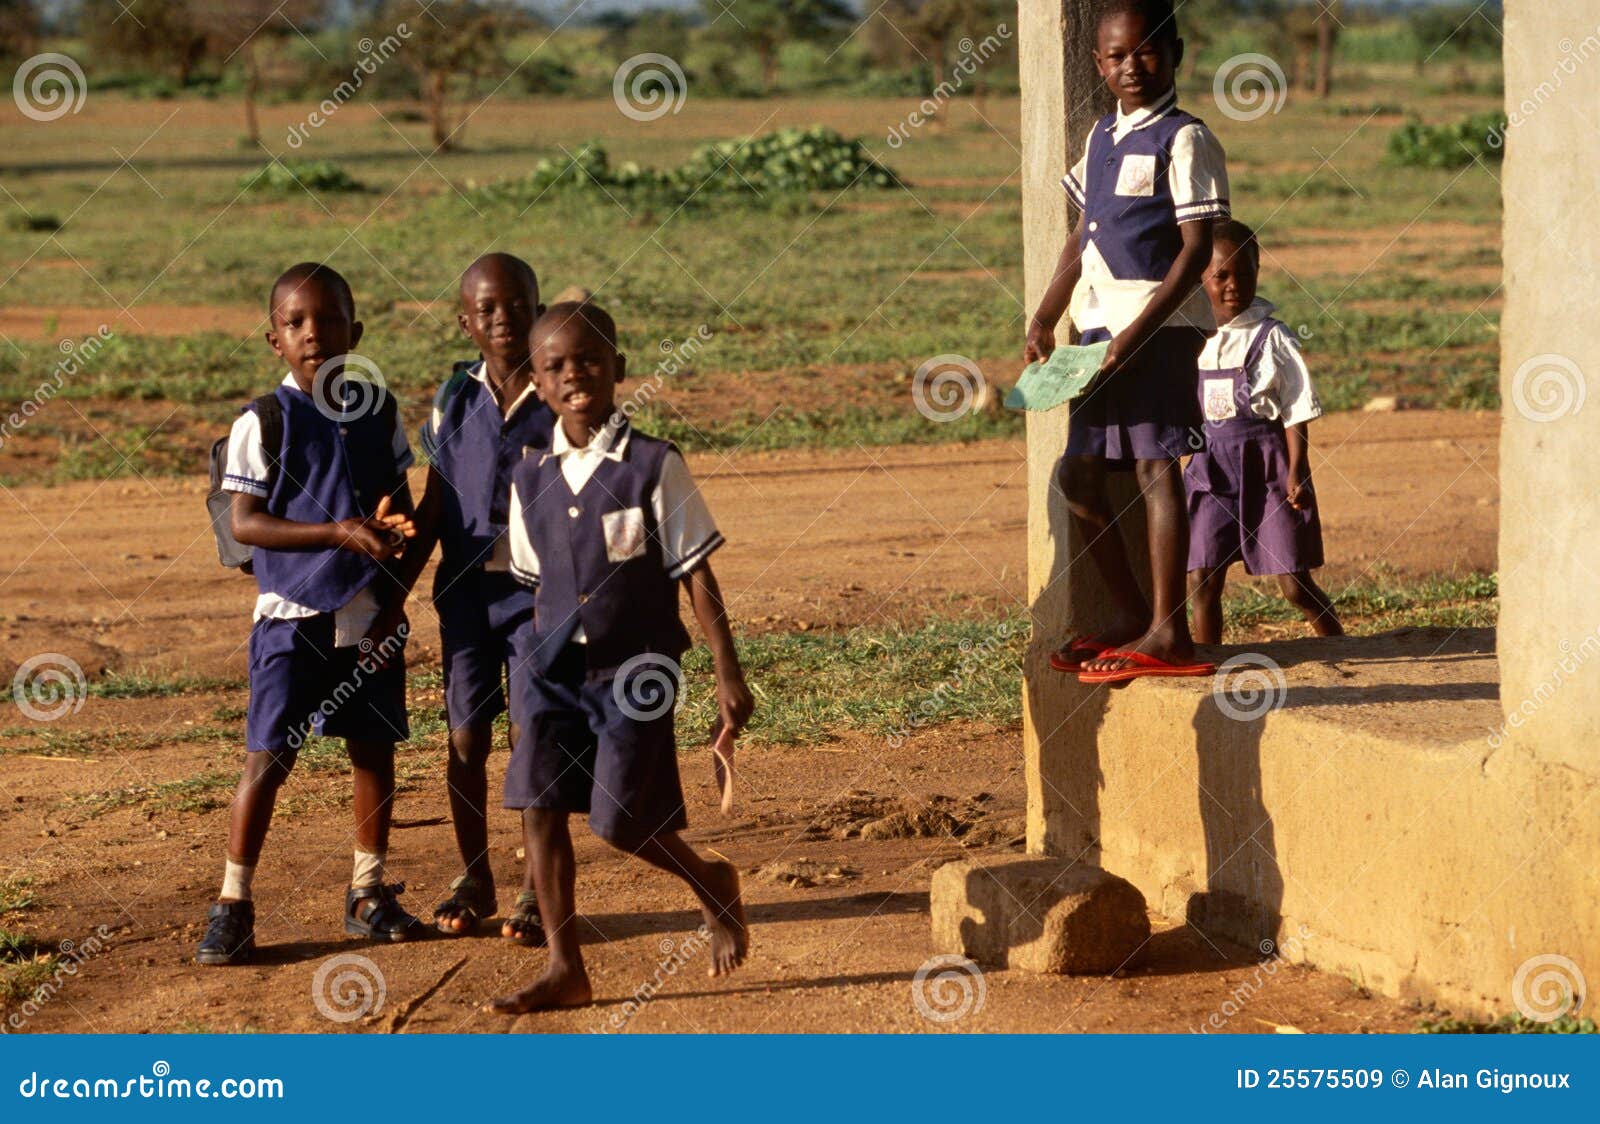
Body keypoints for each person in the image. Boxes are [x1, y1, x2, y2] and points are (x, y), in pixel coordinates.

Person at [488, 301, 753, 1014]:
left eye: (590, 360)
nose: (575, 375)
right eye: (555, 367)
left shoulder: (652, 465)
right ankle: (564, 965)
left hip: (636, 670)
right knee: (537, 807)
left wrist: (728, 671)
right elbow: (531, 577)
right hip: (551, 670)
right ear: (537, 386)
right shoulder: (530, 475)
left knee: (618, 822)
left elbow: (696, 572)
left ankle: (710, 884)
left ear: (620, 369)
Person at [197, 262, 422, 965]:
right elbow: (247, 523)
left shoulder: (377, 410)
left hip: (368, 612)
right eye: (296, 323)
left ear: (356, 332)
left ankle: (368, 891)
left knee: (372, 750)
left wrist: (394, 589)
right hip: (290, 615)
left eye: (328, 320)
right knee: (268, 759)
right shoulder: (263, 420)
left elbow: (403, 510)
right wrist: (336, 533)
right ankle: (233, 902)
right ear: (274, 339)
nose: (313, 333)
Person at [1025, 0, 1230, 683]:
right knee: (1079, 473)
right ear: (1098, 64)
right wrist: (1046, 316)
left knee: (1154, 467)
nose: (1130, 66)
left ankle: (1169, 633)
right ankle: (1130, 614)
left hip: (1160, 331)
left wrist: (1135, 336)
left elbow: (1196, 249)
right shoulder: (1103, 138)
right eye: (1115, 56)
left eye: (1144, 51)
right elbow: (1082, 237)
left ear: (1175, 52)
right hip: (1099, 335)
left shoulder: (1186, 138)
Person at [394, 253, 555, 942]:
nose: (503, 319)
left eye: (516, 305)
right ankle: (474, 873)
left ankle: (533, 887)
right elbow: (435, 505)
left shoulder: (558, 392)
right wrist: (391, 594)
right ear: (467, 323)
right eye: (486, 310)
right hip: (464, 596)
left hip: (538, 598)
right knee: (465, 738)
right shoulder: (454, 398)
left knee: (529, 734)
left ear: (538, 309)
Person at [1186, 220, 1341, 642]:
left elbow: (1295, 407)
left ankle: (1341, 649)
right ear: (1200, 276)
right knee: (1202, 577)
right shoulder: (1192, 335)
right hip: (1211, 469)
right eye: (1221, 275)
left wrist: (1297, 470)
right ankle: (1208, 664)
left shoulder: (1271, 336)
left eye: (1245, 273)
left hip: (1267, 466)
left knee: (1294, 585)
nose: (1234, 285)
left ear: (1258, 272)